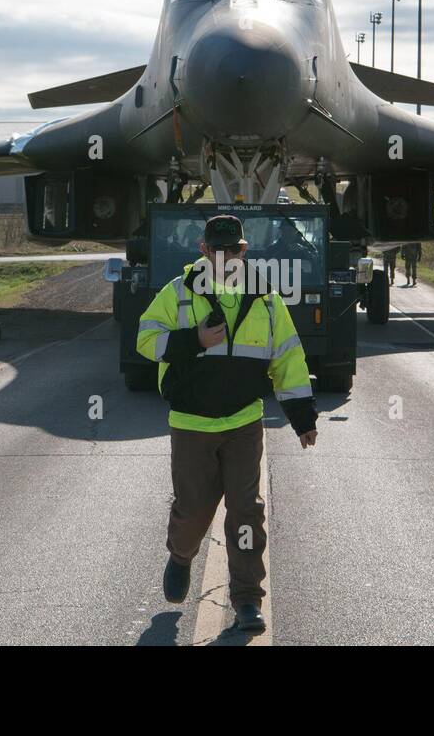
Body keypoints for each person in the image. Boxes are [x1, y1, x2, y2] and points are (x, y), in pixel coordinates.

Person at [136, 214, 318, 634]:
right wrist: (192, 341)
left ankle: (247, 599)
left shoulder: (267, 300)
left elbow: (288, 359)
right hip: (191, 423)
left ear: (242, 250)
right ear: (203, 251)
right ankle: (181, 555)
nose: (223, 258)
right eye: (215, 251)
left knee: (246, 513)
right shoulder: (178, 293)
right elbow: (145, 339)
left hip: (243, 422)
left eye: (231, 250)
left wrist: (302, 416)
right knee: (194, 510)